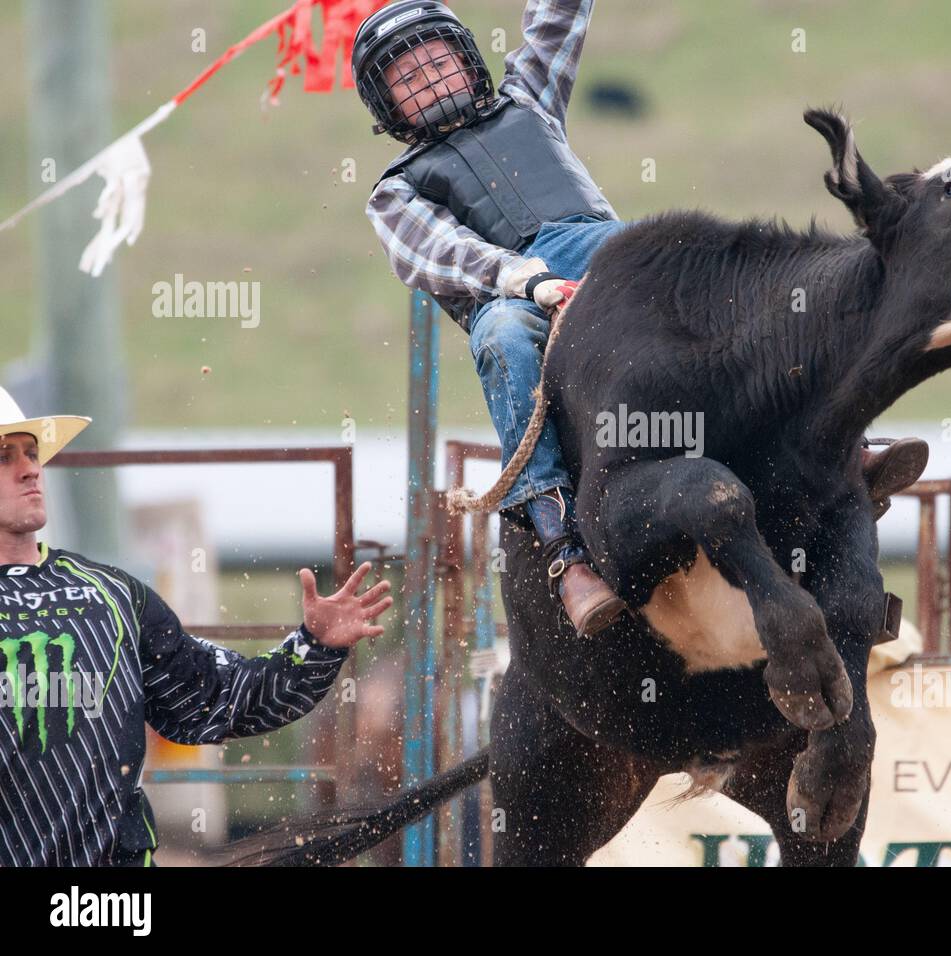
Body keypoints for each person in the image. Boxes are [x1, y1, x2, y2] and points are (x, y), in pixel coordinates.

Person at [0, 387, 393, 866]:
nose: (30, 469)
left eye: (32, 453)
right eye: (5, 456)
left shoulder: (115, 596)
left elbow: (219, 697)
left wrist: (313, 646)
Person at [355, 0, 628, 635]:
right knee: (504, 338)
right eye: (407, 76)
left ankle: (828, 441)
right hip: (503, 294)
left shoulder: (528, 98)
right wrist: (524, 279)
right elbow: (440, 252)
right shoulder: (395, 191)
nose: (427, 77)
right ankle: (565, 549)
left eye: (435, 60)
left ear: (467, 61)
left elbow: (559, 18)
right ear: (388, 109)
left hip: (601, 248)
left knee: (696, 247)